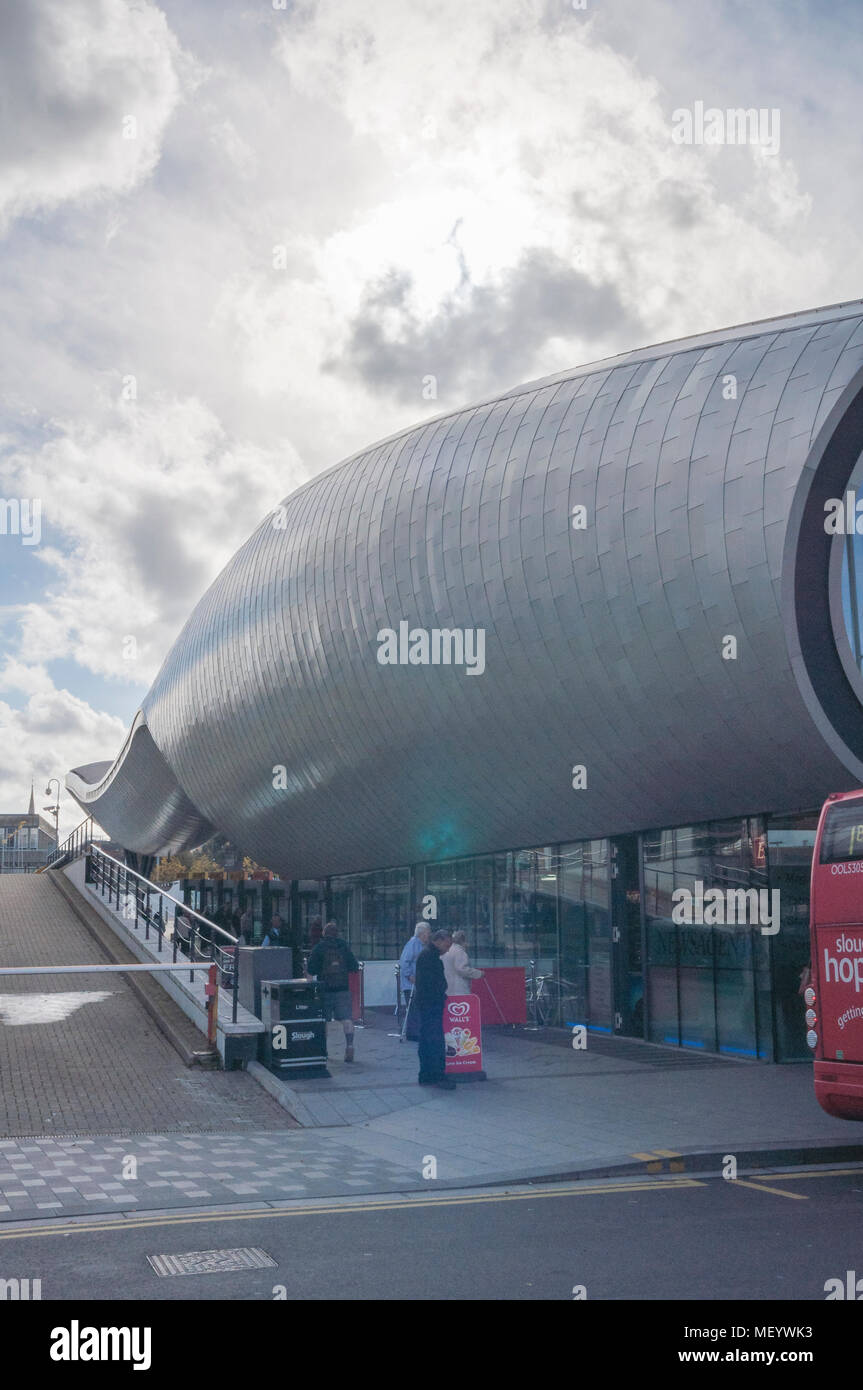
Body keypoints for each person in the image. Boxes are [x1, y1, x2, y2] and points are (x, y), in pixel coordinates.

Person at [306, 921, 359, 1062]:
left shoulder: (319, 947)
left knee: (324, 1021)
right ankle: (350, 1046)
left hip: (325, 989)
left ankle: (324, 1050)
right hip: (342, 989)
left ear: (324, 933)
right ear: (337, 933)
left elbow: (310, 971)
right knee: (347, 1019)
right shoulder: (344, 946)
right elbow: (354, 967)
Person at [414, 929, 455, 1089]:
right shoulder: (430, 957)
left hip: (427, 1003)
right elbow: (434, 983)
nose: (448, 948)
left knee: (427, 1038)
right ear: (438, 940)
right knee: (434, 1039)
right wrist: (441, 992)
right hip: (431, 1003)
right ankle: (436, 1074)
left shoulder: (428, 955)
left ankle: (427, 1074)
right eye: (447, 944)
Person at [399, 923, 431, 1039]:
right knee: (414, 1007)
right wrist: (409, 976)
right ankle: (413, 1033)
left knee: (417, 1007)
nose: (429, 935)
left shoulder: (422, 945)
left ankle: (416, 1031)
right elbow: (404, 961)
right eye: (428, 932)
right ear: (422, 934)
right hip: (411, 983)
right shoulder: (413, 943)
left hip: (419, 982)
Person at [443, 930, 484, 996]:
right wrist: (479, 973)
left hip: (448, 989)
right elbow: (462, 969)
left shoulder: (447, 950)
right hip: (459, 989)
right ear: (463, 941)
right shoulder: (459, 952)